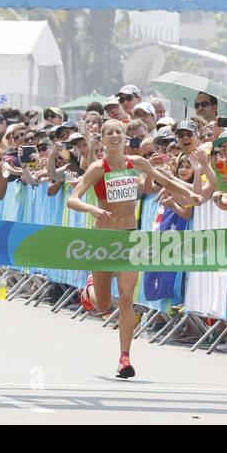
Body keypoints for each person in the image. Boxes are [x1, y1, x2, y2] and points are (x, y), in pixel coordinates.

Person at [65, 118, 143, 380]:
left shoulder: (135, 164)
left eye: (118, 131)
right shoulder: (98, 168)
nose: (114, 135)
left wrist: (192, 193)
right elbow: (72, 199)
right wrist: (93, 209)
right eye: (109, 132)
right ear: (103, 139)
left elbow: (164, 179)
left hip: (130, 238)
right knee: (102, 306)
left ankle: (124, 359)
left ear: (124, 137)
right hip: (103, 241)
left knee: (125, 298)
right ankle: (89, 288)